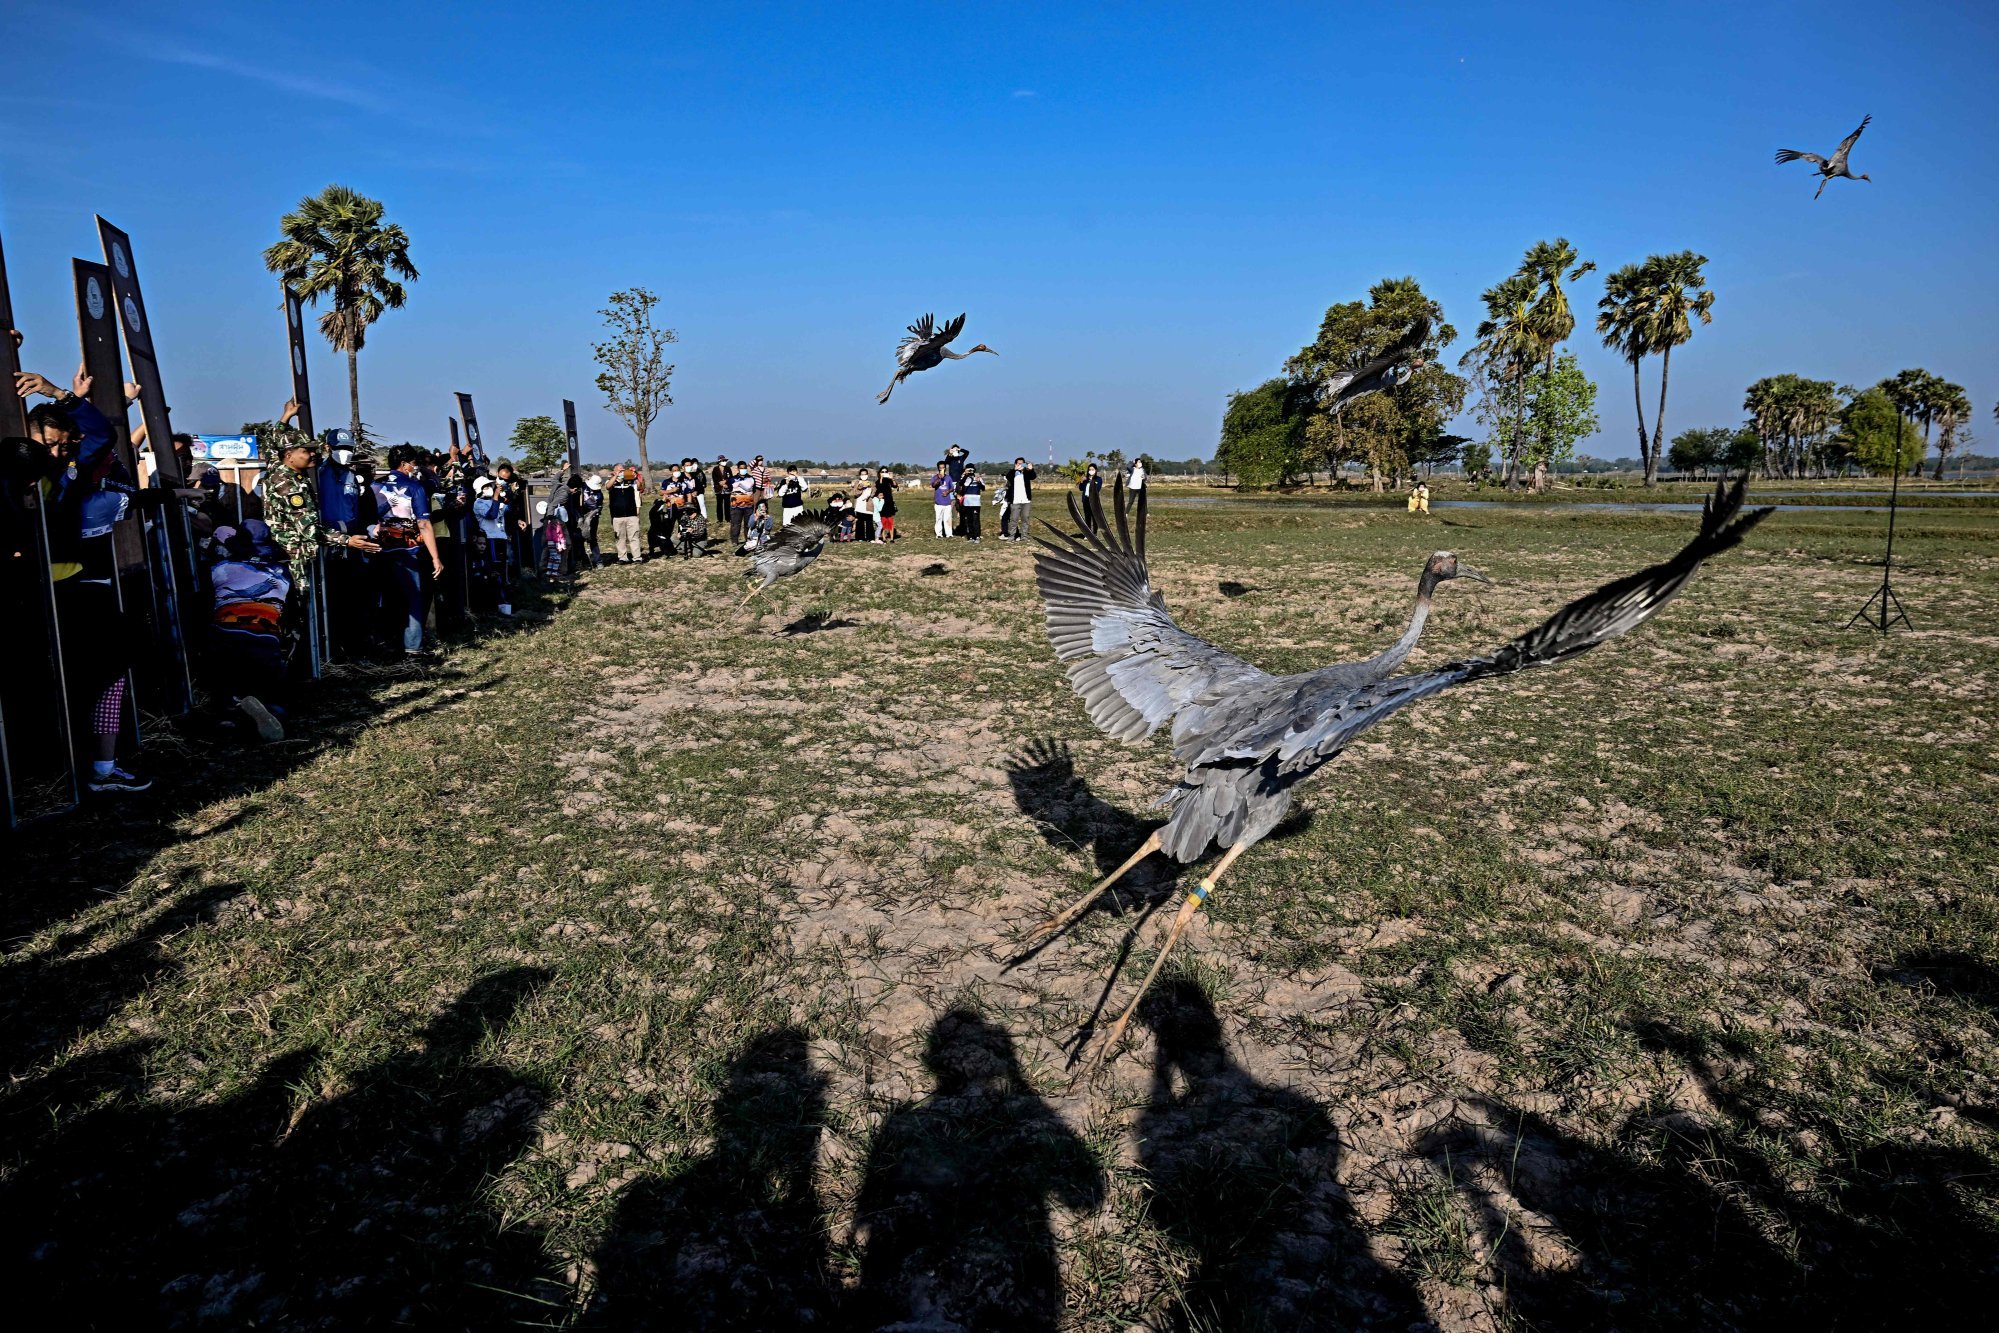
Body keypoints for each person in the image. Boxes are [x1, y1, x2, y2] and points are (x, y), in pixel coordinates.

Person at [14, 366, 149, 791]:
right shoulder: (11, 475)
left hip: (71, 588)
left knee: (106, 669)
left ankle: (101, 769)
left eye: (60, 446)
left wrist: (60, 394)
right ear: (26, 437)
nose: (54, 455)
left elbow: (102, 438)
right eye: (47, 445)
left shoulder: (67, 474)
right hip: (28, 592)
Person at [262, 403, 381, 671]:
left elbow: (272, 443)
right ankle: (302, 666)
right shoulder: (290, 484)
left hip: (296, 553)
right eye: (306, 451)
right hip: (298, 556)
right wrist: (348, 540)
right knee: (303, 611)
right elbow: (310, 529)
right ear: (290, 454)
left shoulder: (277, 467)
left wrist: (285, 418)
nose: (312, 455)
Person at [370, 444, 443, 657]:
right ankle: (413, 648)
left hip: (379, 550)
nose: (416, 467)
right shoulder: (415, 487)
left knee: (386, 598)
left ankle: (387, 644)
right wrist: (435, 557)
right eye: (414, 463)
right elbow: (424, 525)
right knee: (412, 598)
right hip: (408, 550)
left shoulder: (375, 486)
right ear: (404, 464)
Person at [471, 476, 514, 616]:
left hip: (501, 538)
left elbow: (507, 510)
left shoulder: (495, 501)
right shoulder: (478, 503)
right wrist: (496, 497)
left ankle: (504, 604)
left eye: (491, 485)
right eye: (487, 486)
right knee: (495, 572)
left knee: (504, 571)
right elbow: (492, 514)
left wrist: (508, 493)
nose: (490, 488)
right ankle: (496, 605)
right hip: (490, 539)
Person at [607, 464, 643, 563]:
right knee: (620, 537)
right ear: (614, 471)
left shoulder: (630, 483)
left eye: (623, 470)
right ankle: (622, 557)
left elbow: (640, 487)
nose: (621, 472)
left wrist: (635, 476)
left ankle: (637, 557)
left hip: (631, 514)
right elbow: (607, 486)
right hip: (617, 515)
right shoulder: (612, 482)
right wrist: (616, 476)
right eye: (619, 470)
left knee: (634, 536)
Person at [1003, 457, 1036, 540]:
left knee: (1025, 518)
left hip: (1026, 500)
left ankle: (1024, 536)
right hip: (1015, 500)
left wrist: (1031, 469)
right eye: (1019, 463)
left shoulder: (1026, 473)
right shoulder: (1012, 473)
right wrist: (1015, 469)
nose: (1020, 465)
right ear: (1015, 464)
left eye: (1022, 463)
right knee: (1013, 519)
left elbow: (1033, 477)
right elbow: (1008, 477)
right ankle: (1011, 536)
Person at [579, 472, 606, 566]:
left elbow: (599, 507)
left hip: (593, 517)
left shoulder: (599, 494)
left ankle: (598, 560)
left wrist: (592, 514)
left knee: (592, 538)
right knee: (580, 538)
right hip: (580, 516)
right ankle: (583, 560)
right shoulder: (582, 487)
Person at [728, 463, 757, 546]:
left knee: (748, 524)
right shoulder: (732, 479)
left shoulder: (751, 479)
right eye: (741, 468)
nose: (743, 469)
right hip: (736, 506)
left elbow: (754, 490)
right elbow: (729, 489)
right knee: (735, 523)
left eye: (744, 468)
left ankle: (748, 539)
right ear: (738, 469)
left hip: (749, 505)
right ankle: (734, 540)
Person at [959, 465, 985, 541]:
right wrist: (965, 475)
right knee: (969, 519)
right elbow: (960, 484)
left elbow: (983, 488)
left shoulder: (978, 478)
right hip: (967, 502)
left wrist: (979, 481)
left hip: (976, 502)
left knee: (976, 519)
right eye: (968, 470)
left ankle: (977, 536)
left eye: (971, 470)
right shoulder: (965, 478)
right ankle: (970, 536)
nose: (970, 471)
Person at [930, 462, 956, 538]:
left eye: (943, 467)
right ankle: (939, 534)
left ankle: (949, 534)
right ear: (938, 468)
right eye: (940, 467)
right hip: (938, 502)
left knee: (948, 519)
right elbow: (933, 485)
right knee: (938, 519)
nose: (942, 469)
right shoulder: (935, 477)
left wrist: (948, 491)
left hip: (947, 502)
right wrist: (939, 478)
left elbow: (952, 488)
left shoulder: (948, 478)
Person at [1076, 463, 1105, 531]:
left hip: (1094, 500)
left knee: (1094, 517)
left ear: (1095, 470)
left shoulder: (1098, 479)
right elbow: (1081, 488)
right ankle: (1088, 533)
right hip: (1086, 499)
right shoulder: (1085, 479)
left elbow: (1098, 488)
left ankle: (1094, 532)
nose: (1091, 471)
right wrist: (1082, 481)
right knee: (1087, 516)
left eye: (1092, 469)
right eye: (1090, 469)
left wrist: (1092, 481)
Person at [851, 469, 876, 544]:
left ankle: (870, 538)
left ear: (868, 475)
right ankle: (860, 537)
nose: (863, 476)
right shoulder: (857, 482)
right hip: (859, 505)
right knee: (860, 522)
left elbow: (874, 493)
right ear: (859, 475)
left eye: (865, 474)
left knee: (869, 522)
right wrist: (861, 487)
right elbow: (855, 493)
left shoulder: (872, 483)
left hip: (868, 504)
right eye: (862, 474)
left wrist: (869, 488)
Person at [875, 470, 898, 543]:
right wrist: (881, 478)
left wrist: (892, 478)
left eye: (886, 471)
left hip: (889, 502)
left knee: (890, 521)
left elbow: (895, 486)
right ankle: (883, 537)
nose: (884, 473)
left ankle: (891, 538)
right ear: (879, 473)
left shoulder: (889, 481)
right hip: (882, 503)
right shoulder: (878, 481)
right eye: (882, 471)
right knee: (883, 521)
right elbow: (879, 486)